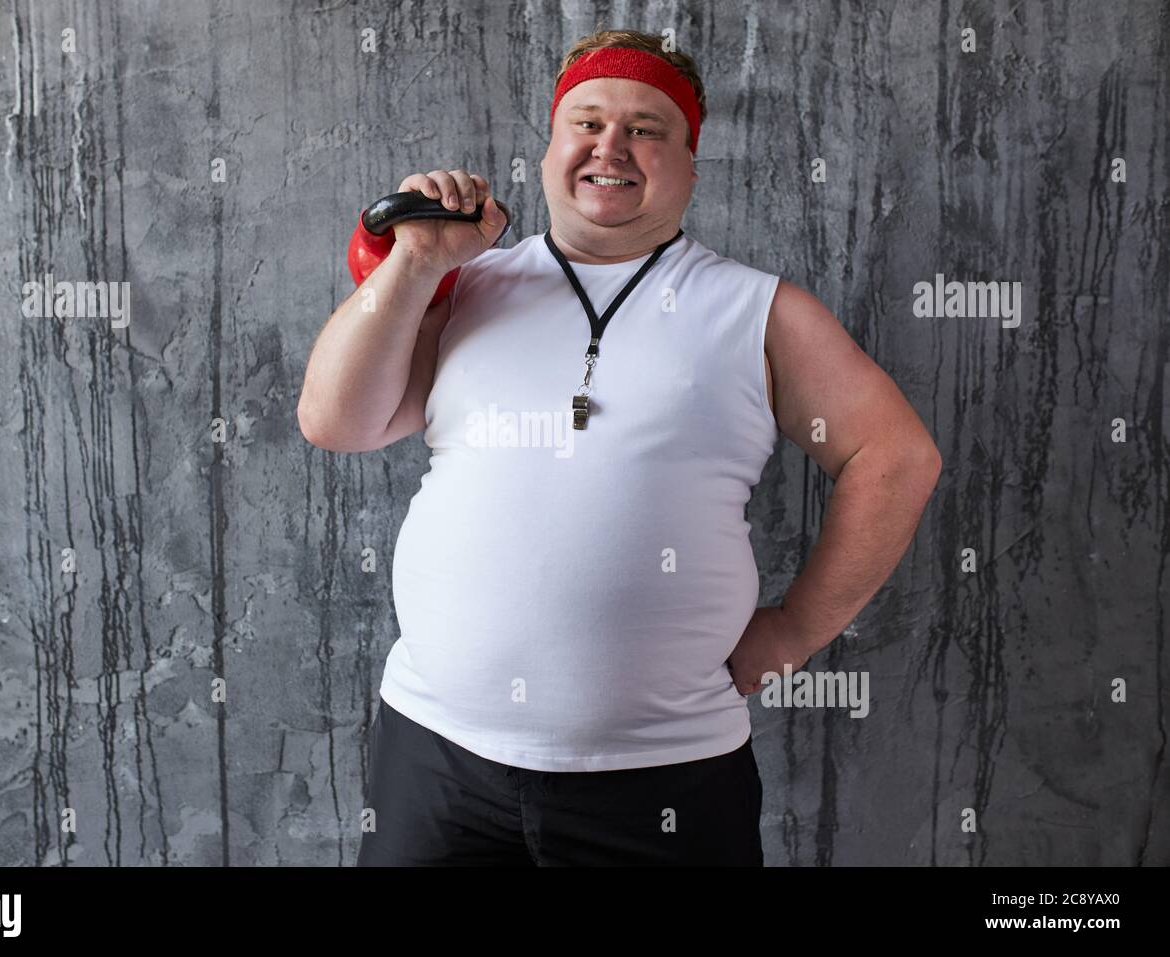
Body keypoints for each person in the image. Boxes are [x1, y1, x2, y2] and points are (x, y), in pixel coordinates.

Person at [298, 29, 941, 866]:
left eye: (646, 128)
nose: (612, 146)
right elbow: (336, 420)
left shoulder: (757, 312)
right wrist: (416, 259)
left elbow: (895, 458)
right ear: (549, 153)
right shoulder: (464, 288)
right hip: (436, 757)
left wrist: (792, 633)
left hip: (662, 778)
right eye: (588, 123)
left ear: (689, 165)